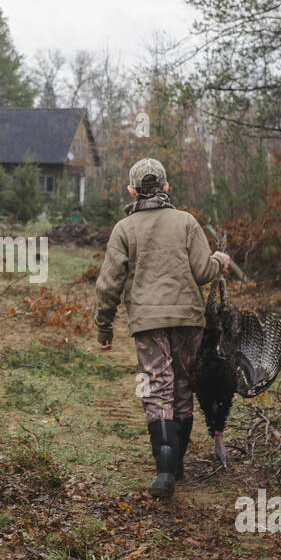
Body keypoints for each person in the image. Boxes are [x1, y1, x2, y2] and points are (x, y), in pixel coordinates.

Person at [94, 158, 232, 499]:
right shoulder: (186, 222)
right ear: (167, 187)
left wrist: (104, 327)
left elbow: (109, 284)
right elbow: (203, 272)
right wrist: (220, 261)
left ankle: (165, 471)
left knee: (156, 386)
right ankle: (177, 462)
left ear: (132, 191)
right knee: (183, 383)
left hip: (147, 321)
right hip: (189, 319)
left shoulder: (124, 229)